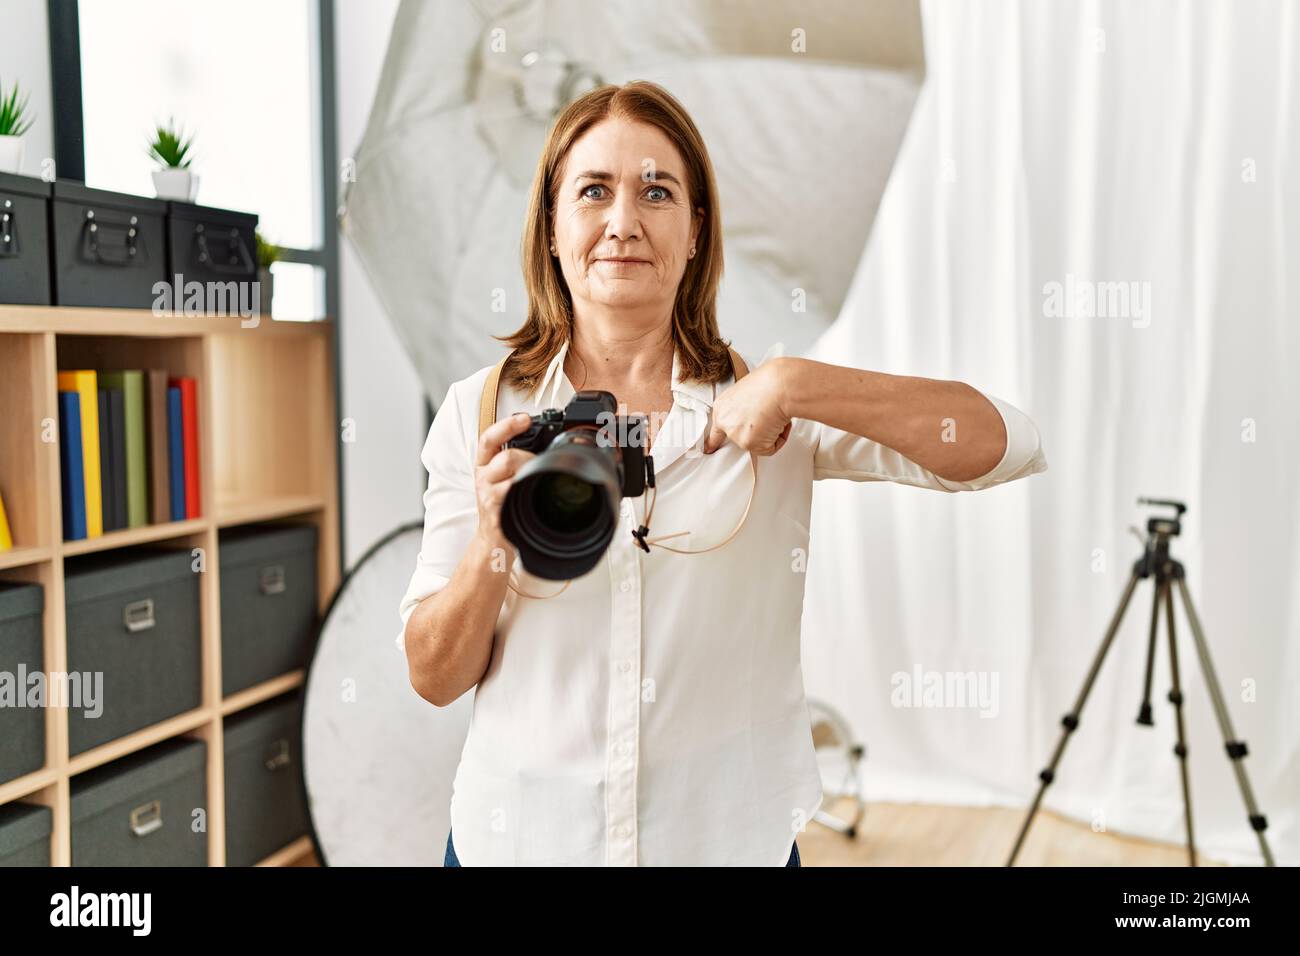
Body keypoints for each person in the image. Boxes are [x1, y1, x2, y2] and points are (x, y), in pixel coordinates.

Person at [398, 81, 1048, 866]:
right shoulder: (482, 414)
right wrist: (492, 545)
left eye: (657, 191)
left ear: (697, 229)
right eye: (593, 191)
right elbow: (434, 676)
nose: (623, 222)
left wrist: (799, 383)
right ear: (553, 225)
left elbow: (1005, 442)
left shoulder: (770, 408)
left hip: (724, 844)